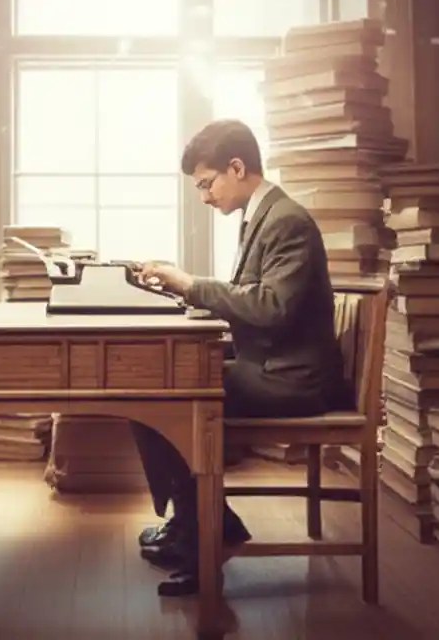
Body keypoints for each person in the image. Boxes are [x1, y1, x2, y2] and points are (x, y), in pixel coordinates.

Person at [130, 118, 354, 596]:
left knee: (165, 398)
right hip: (273, 368)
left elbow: (271, 307)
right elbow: (258, 303)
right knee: (149, 392)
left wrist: (191, 285)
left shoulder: (287, 221)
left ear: (236, 167)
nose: (204, 197)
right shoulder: (263, 216)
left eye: (206, 184)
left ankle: (203, 533)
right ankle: (200, 523)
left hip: (296, 381)